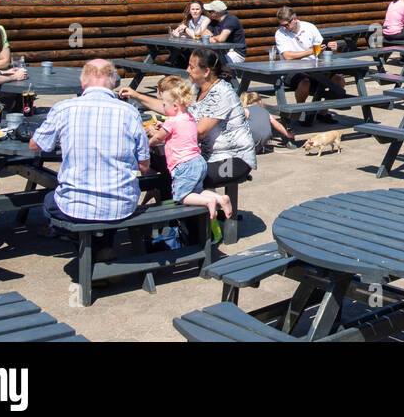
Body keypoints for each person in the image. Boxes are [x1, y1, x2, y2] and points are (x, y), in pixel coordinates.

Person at [30, 59, 151, 260]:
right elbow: (144, 165)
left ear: (82, 81)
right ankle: (102, 246)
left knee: (48, 202)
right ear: (113, 81)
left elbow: (36, 145)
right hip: (122, 204)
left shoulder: (63, 108)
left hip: (74, 205)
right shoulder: (130, 112)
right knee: (112, 198)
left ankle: (88, 246)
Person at [121, 49, 256, 186]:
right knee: (154, 160)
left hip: (233, 160)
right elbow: (171, 107)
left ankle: (198, 203)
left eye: (191, 67)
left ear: (206, 71)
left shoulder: (221, 93)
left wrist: (165, 133)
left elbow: (200, 131)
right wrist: (136, 96)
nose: (187, 70)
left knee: (179, 172)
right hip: (204, 157)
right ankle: (168, 202)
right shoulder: (197, 88)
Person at [144, 76, 233, 226]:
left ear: (175, 107)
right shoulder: (189, 116)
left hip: (184, 165)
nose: (163, 107)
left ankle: (209, 201)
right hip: (198, 162)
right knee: (196, 192)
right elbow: (176, 130)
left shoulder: (172, 121)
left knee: (181, 197)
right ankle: (219, 199)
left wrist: (147, 143)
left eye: (164, 104)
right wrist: (164, 125)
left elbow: (158, 138)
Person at [272, 6, 343, 123]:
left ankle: (323, 112)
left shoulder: (309, 27)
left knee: (338, 81)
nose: (284, 28)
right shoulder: (280, 33)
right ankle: (300, 112)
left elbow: (321, 46)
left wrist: (331, 46)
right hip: (290, 69)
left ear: (294, 19)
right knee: (305, 82)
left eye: (286, 25)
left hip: (313, 66)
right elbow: (287, 56)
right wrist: (310, 52)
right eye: (282, 25)